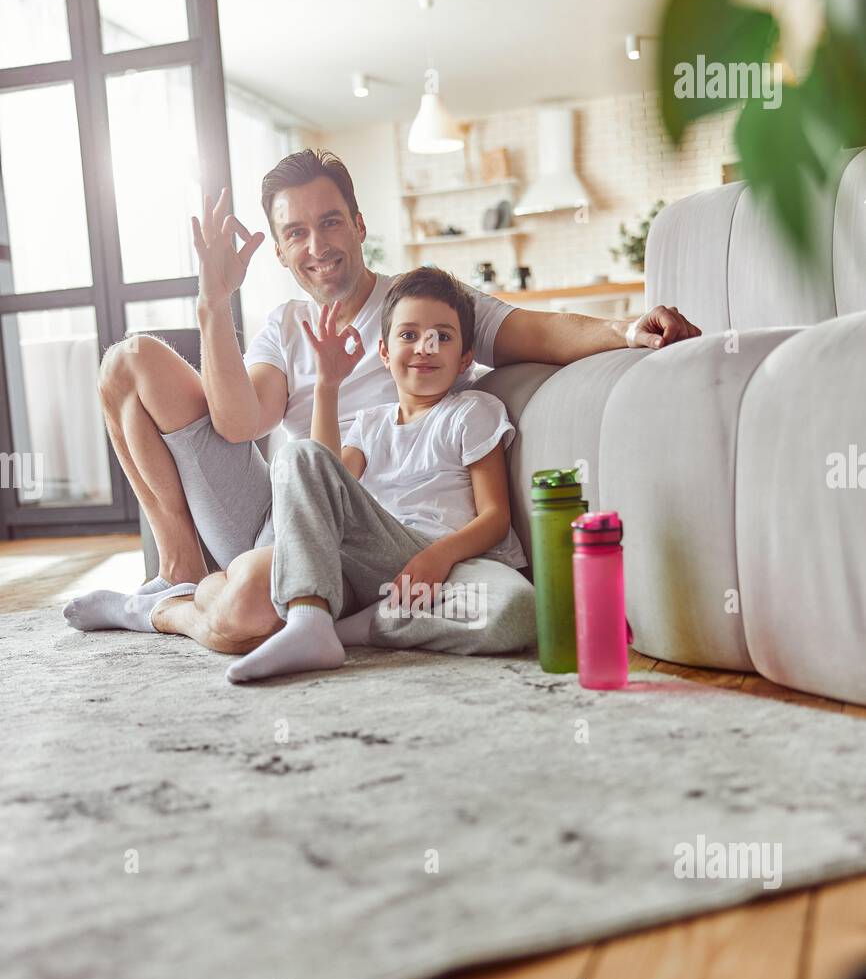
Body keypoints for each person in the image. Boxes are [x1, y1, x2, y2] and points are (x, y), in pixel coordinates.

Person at [63, 148, 701, 643]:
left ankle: (170, 611)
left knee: (248, 610)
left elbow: (534, 328)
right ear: (280, 252)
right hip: (275, 511)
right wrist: (214, 299)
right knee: (128, 361)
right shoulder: (284, 325)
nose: (318, 247)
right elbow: (238, 424)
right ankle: (178, 571)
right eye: (296, 233)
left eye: (331, 222)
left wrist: (623, 329)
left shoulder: (419, 306)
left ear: (360, 224)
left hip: (361, 534)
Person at [145, 266, 537, 682]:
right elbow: (325, 484)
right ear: (384, 352)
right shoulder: (370, 423)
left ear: (464, 359)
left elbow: (495, 517)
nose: (425, 347)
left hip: (446, 565)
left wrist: (435, 557)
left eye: (442, 336)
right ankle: (309, 620)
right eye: (409, 335)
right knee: (301, 455)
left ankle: (349, 629)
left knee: (516, 612)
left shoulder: (472, 412)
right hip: (368, 559)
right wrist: (327, 385)